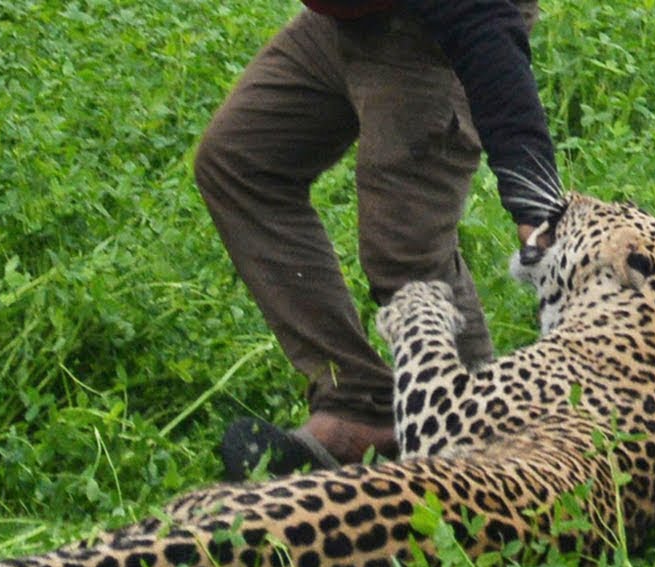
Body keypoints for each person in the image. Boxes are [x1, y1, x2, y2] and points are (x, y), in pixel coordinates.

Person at [195, 0, 564, 480]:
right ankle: (361, 406)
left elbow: (480, 19)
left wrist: (532, 197)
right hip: (346, 21)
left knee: (407, 253)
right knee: (242, 161)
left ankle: (485, 462)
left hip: (432, 35)